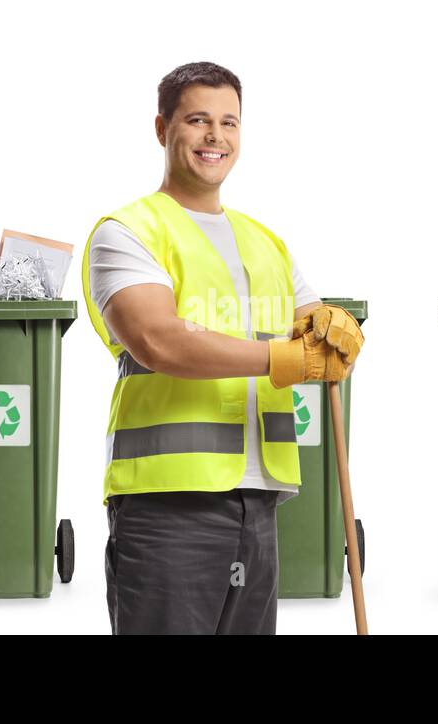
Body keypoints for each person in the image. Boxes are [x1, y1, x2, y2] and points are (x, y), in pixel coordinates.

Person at [80, 61, 363, 634]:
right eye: (198, 120)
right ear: (163, 129)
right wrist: (281, 359)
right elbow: (159, 339)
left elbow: (314, 329)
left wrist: (337, 328)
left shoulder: (266, 243)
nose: (216, 137)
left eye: (229, 123)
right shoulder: (129, 231)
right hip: (168, 507)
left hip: (258, 503)